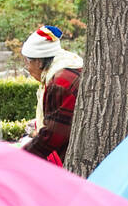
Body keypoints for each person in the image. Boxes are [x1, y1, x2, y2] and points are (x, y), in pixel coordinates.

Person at [20, 25, 84, 162]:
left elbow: (53, 136)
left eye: (27, 63)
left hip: (75, 158)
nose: (28, 69)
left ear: (38, 61)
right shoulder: (71, 64)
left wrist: (22, 157)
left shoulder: (60, 82)